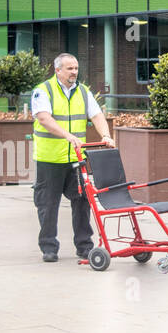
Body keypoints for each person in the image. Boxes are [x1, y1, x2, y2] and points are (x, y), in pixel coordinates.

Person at [30, 53, 114, 263]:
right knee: (48, 204)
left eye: (76, 68)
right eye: (69, 69)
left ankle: (85, 246)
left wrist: (106, 135)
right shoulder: (43, 91)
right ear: (57, 70)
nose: (74, 72)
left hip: (76, 160)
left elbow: (96, 115)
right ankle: (49, 247)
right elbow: (44, 118)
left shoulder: (83, 92)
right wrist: (67, 136)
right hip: (50, 159)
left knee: (82, 201)